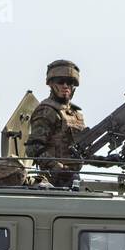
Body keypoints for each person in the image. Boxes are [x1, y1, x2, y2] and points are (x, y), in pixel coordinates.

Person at [25, 59, 86, 188]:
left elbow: (83, 151)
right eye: (60, 82)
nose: (65, 86)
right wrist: (57, 167)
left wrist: (105, 161)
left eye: (69, 83)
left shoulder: (75, 114)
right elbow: (33, 148)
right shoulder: (47, 111)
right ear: (51, 84)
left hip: (73, 178)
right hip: (51, 180)